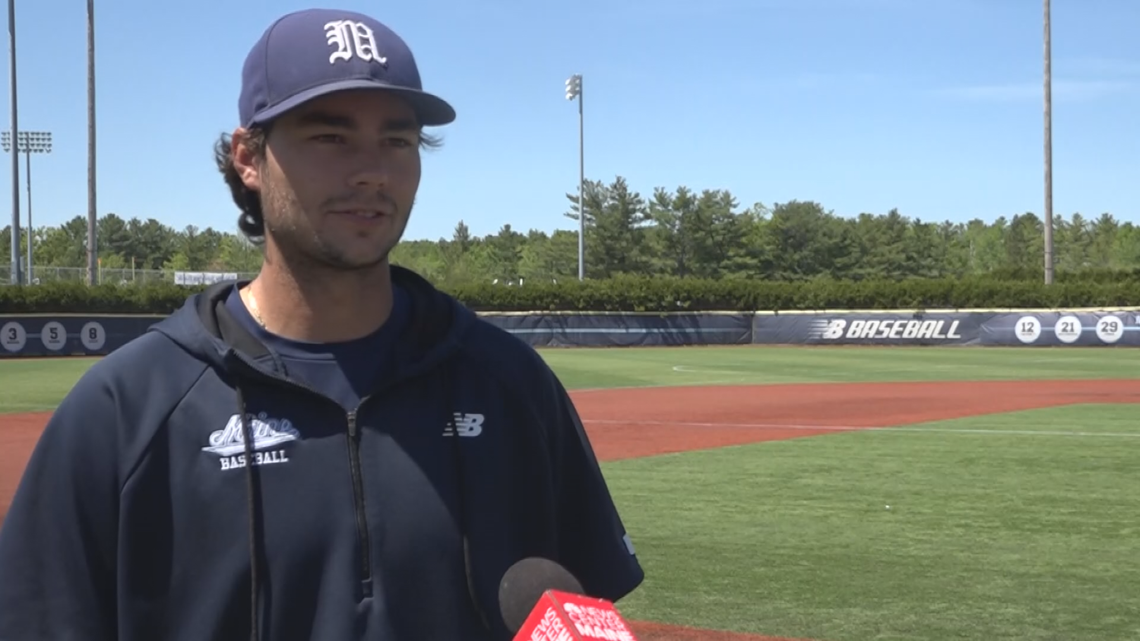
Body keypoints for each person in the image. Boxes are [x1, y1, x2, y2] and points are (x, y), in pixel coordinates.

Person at [0, 8, 643, 640]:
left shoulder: (511, 385)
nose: (372, 171)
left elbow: (578, 613)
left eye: (398, 141)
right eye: (331, 137)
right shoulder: (126, 411)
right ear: (248, 158)